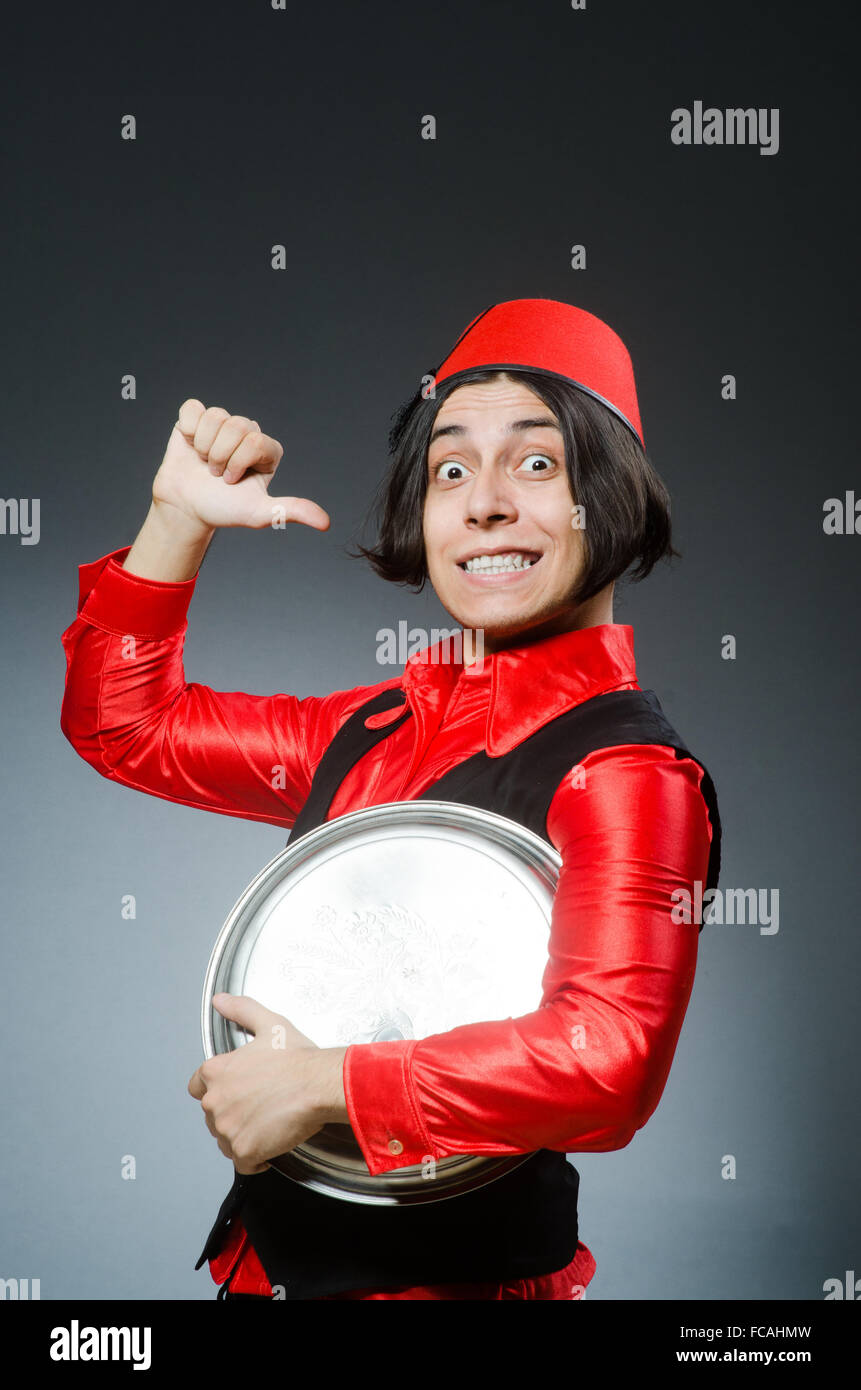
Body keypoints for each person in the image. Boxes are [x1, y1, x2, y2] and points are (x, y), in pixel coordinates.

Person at [60, 298, 721, 1301]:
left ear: (613, 494)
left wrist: (323, 1082)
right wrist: (177, 521)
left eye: (536, 463)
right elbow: (125, 728)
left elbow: (609, 1059)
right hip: (272, 1274)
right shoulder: (369, 728)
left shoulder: (627, 773)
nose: (484, 502)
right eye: (450, 467)